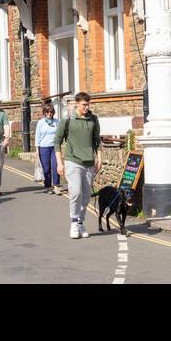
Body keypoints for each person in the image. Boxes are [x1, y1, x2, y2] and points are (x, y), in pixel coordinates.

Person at [55, 92, 102, 239]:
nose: (86, 107)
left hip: (89, 163)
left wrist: (99, 158)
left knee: (86, 196)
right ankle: (74, 223)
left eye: (88, 104)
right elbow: (57, 141)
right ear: (77, 104)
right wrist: (59, 163)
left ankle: (81, 222)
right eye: (84, 105)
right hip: (72, 161)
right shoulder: (68, 119)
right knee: (75, 192)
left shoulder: (93, 119)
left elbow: (97, 141)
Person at [35, 105, 62, 194]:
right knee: (46, 168)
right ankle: (48, 186)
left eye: (51, 112)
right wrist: (37, 149)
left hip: (55, 147)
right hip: (43, 147)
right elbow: (37, 136)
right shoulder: (41, 122)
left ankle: (56, 186)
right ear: (44, 112)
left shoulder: (57, 122)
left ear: (53, 112)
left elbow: (60, 134)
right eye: (47, 112)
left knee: (55, 166)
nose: (49, 113)